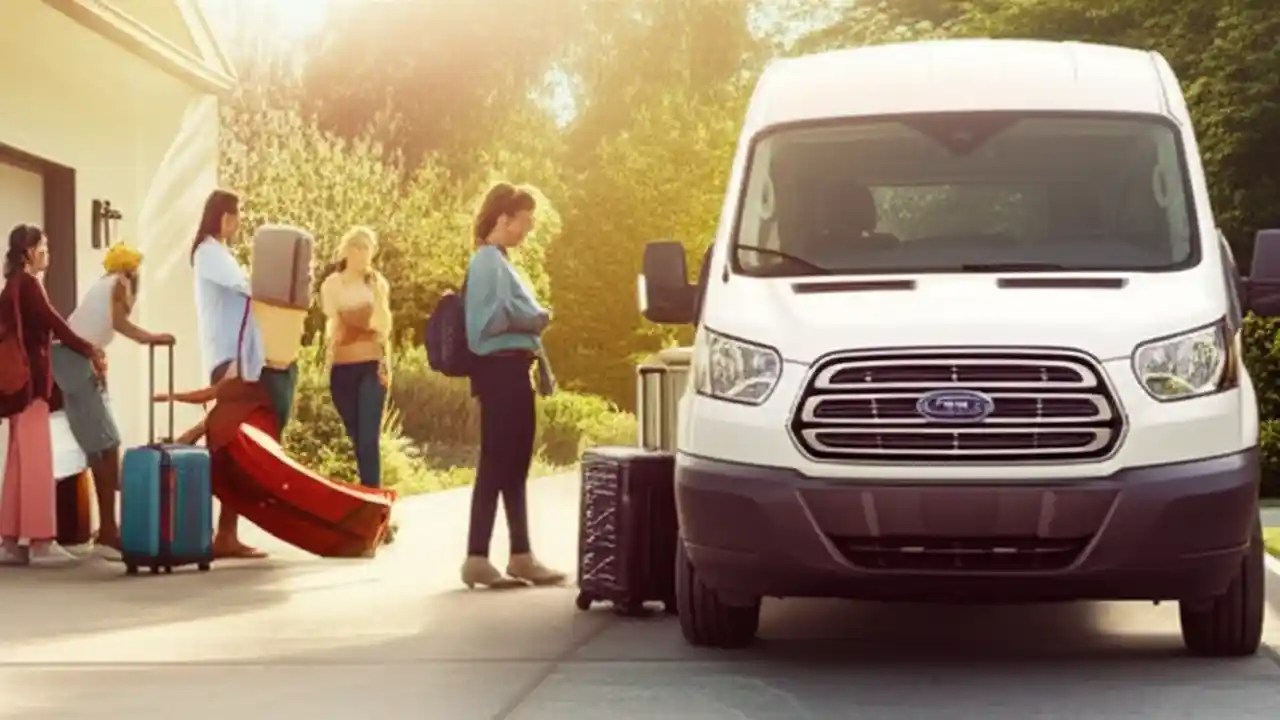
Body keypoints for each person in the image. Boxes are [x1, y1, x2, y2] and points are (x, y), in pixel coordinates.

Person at [460, 182, 565, 589]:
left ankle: (519, 554)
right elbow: (485, 323)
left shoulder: (498, 260)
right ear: (504, 219)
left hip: (511, 373)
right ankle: (478, 556)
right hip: (501, 373)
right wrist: (534, 316)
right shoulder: (487, 261)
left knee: (513, 465)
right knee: (497, 464)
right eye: (525, 221)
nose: (528, 230)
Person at [51, 243, 174, 559]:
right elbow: (120, 323)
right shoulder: (119, 282)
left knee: (103, 445)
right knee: (105, 444)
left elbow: (95, 328)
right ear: (131, 270)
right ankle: (109, 528)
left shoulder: (103, 283)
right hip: (73, 362)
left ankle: (109, 525)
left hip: (74, 361)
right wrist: (152, 337)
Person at [0, 224, 105, 566]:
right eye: (42, 246)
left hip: (15, 386)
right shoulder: (29, 286)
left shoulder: (11, 287)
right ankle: (41, 540)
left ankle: (13, 541)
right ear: (28, 251)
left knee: (18, 461)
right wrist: (89, 349)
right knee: (37, 461)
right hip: (31, 386)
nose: (47, 251)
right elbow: (55, 323)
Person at [189, 189, 269, 560]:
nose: (237, 225)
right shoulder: (209, 253)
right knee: (225, 448)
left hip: (237, 359)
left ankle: (224, 532)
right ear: (224, 218)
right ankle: (216, 533)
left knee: (230, 446)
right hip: (227, 360)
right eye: (236, 217)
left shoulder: (219, 254)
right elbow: (246, 288)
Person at [319, 226, 392, 491]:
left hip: (371, 367)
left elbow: (381, 325)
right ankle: (369, 501)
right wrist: (360, 321)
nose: (362, 254)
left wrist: (356, 322)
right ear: (347, 249)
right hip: (342, 369)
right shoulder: (333, 284)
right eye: (357, 247)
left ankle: (374, 508)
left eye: (367, 249)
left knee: (368, 440)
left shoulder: (377, 284)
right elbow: (334, 317)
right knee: (357, 438)